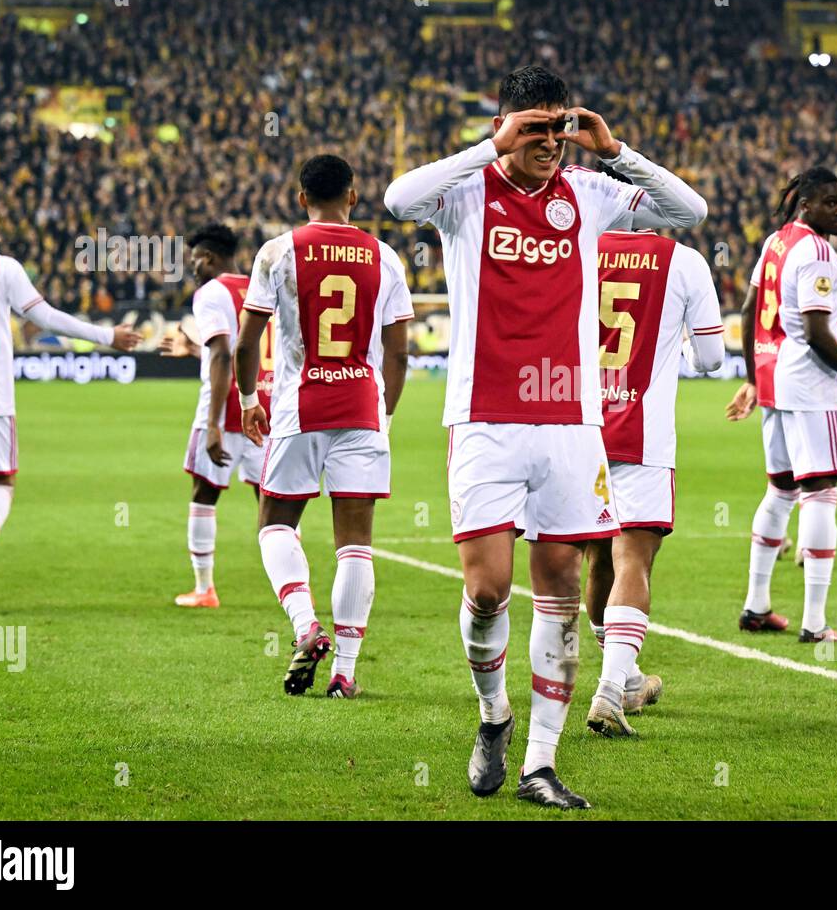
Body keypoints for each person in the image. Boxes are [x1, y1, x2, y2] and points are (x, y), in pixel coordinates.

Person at [384, 64, 706, 809]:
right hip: (486, 421)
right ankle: (493, 712)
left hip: (571, 426)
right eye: (535, 128)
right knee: (488, 589)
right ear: (505, 125)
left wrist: (613, 147)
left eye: (558, 128)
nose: (550, 143)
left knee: (559, 588)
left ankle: (540, 762)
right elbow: (400, 198)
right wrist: (488, 146)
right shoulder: (465, 198)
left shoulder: (591, 196)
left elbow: (687, 212)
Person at [236, 155, 412, 699]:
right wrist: (382, 414)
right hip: (361, 405)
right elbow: (399, 352)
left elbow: (247, 342)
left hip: (298, 404)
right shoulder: (385, 257)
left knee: (275, 523)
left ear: (299, 197)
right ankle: (346, 672)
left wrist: (247, 399)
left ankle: (305, 625)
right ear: (354, 196)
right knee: (355, 544)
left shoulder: (277, 252)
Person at [0, 200, 140, 608]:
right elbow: (47, 318)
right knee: (1, 484)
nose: (0, 236)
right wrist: (106, 336)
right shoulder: (2, 268)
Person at [581, 176, 726, 737]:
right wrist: (674, 345)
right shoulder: (684, 261)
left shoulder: (572, 252)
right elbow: (713, 357)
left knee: (592, 560)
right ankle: (613, 690)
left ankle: (623, 677)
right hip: (642, 435)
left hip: (576, 429)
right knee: (632, 561)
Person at [725, 168, 837, 640]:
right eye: (831, 202)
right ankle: (815, 623)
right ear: (806, 204)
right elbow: (817, 332)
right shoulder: (816, 253)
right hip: (810, 387)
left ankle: (756, 606)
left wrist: (757, 378)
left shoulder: (777, 241)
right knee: (820, 493)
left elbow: (749, 309)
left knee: (780, 491)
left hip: (777, 381)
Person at [166, 224, 275, 609]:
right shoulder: (261, 285)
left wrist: (212, 424)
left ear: (209, 258)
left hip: (226, 410)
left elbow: (222, 352)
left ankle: (204, 589)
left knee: (204, 494)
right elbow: (238, 354)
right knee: (272, 502)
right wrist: (196, 351)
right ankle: (293, 589)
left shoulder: (211, 292)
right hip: (265, 409)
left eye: (195, 260)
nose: (193, 268)